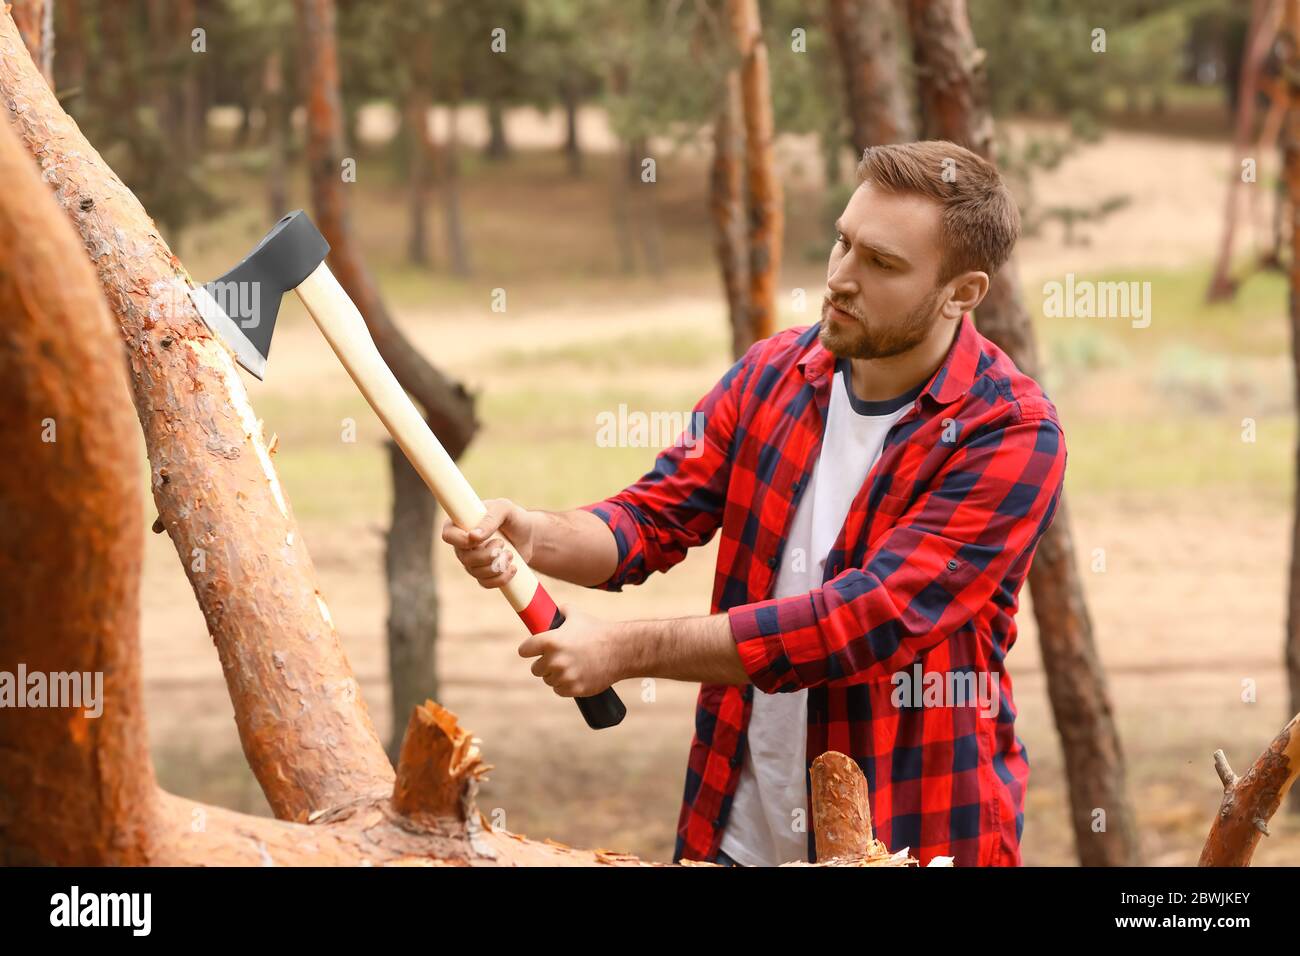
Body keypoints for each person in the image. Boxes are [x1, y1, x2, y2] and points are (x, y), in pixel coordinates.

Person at [441, 140, 1066, 867]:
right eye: (842, 243)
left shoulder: (1007, 434)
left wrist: (624, 649)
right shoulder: (776, 374)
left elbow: (857, 622)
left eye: (882, 264)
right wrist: (533, 535)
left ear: (963, 292)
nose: (840, 279)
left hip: (911, 834)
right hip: (736, 831)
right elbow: (650, 519)